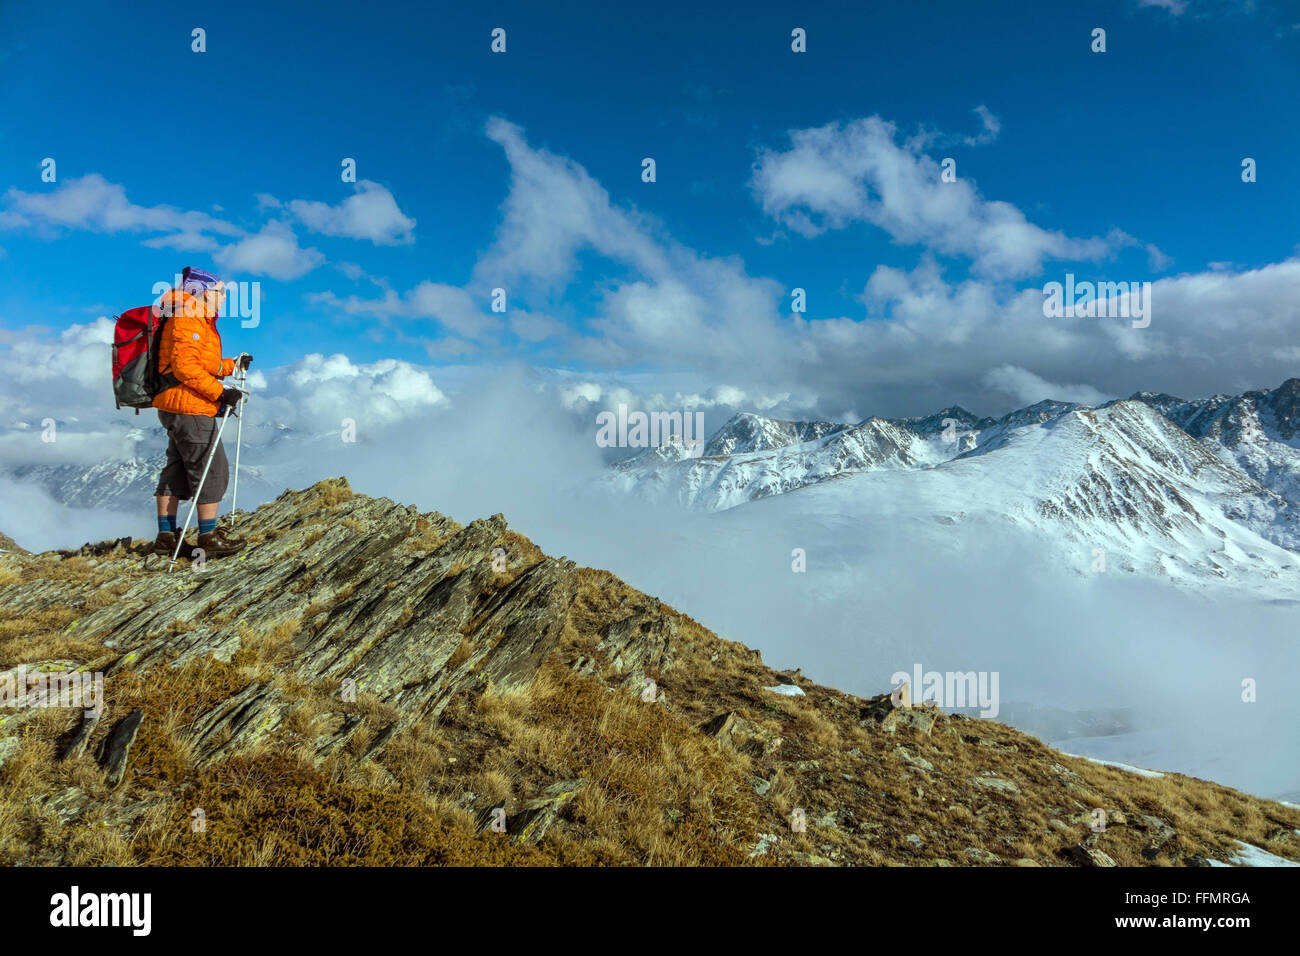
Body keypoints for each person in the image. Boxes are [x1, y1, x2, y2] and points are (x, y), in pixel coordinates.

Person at [150, 267, 253, 559]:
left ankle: (166, 538)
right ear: (205, 292)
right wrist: (221, 393)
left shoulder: (193, 316)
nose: (224, 297)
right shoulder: (189, 315)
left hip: (178, 405)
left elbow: (201, 362)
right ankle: (207, 537)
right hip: (188, 406)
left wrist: (232, 366)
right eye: (221, 292)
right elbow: (185, 367)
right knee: (213, 467)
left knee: (177, 469)